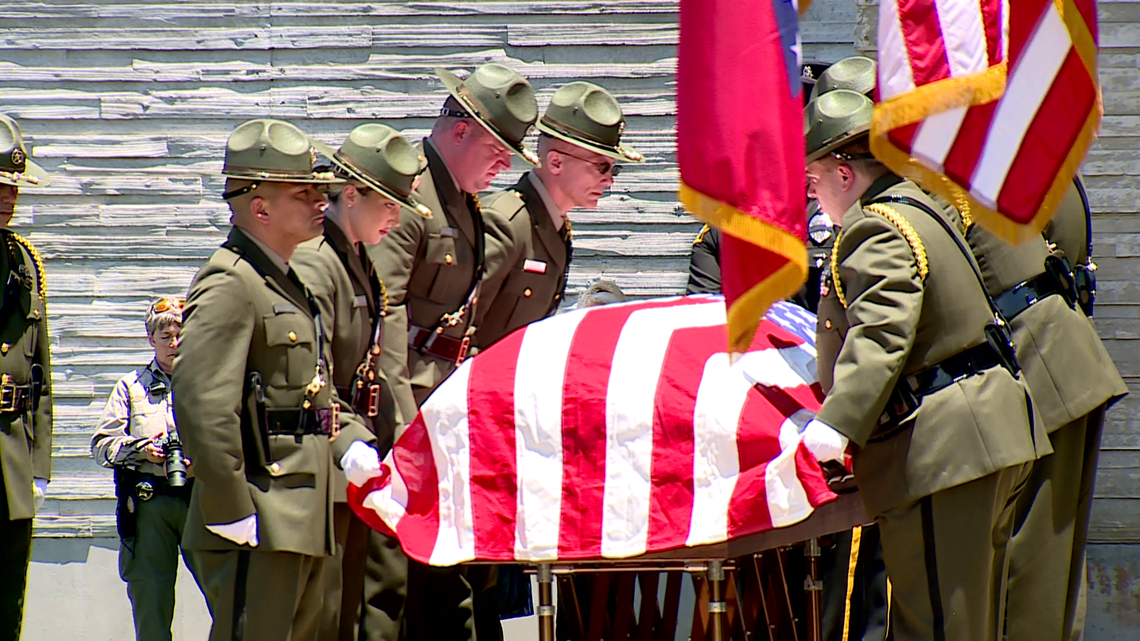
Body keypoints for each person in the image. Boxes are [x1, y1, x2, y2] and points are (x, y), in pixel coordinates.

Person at [804, 90, 1050, 641]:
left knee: (936, 624)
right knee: (969, 621)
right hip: (985, 436)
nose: (812, 197)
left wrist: (836, 423)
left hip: (946, 450)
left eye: (814, 181)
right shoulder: (921, 206)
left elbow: (883, 329)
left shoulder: (873, 227)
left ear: (844, 174)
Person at [172, 118, 380, 641]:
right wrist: (229, 506)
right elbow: (203, 406)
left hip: (302, 515)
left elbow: (315, 389)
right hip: (259, 517)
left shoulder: (286, 281)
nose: (320, 202)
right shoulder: (231, 282)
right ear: (259, 207)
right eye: (304, 192)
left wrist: (352, 444)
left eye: (321, 191)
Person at [363, 62, 538, 641]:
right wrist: (402, 424)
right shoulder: (411, 194)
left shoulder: (463, 201)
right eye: (498, 148)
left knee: (448, 586)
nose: (506, 164)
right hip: (400, 415)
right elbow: (382, 313)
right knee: (393, 590)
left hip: (441, 410)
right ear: (460, 130)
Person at [966, 177, 1125, 640]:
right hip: (1064, 361)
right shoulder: (1042, 162)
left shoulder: (971, 170)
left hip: (1037, 371)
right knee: (1055, 571)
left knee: (1030, 567)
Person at [292, 124, 431, 641]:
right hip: (318, 459)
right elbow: (312, 371)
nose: (396, 219)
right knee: (320, 618)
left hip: (347, 453)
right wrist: (350, 444)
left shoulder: (358, 259)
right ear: (350, 195)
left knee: (348, 613)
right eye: (388, 204)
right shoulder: (316, 260)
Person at [477, 81, 642, 349]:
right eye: (601, 167)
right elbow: (462, 337)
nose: (610, 180)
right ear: (556, 162)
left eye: (615, 170)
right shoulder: (504, 222)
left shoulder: (555, 226)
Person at [91, 298, 206, 641]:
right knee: (151, 608)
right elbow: (101, 446)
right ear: (150, 338)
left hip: (203, 501)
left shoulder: (210, 383)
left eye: (179, 333)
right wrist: (142, 450)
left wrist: (203, 458)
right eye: (165, 335)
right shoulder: (131, 387)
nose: (173, 342)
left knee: (230, 597)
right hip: (149, 503)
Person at [0, 113, 53, 641]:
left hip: (10, 456)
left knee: (8, 596)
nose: (9, 197)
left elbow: (40, 371)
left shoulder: (24, 261)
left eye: (14, 186)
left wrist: (38, 462)